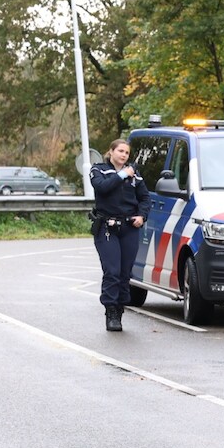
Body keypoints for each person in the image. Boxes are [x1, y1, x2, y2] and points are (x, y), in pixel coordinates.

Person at [90, 139, 149, 332]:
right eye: (120, 151)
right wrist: (123, 174)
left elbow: (144, 198)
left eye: (127, 153)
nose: (124, 155)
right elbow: (103, 187)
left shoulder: (135, 175)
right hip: (107, 227)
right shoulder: (99, 170)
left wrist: (142, 215)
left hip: (129, 227)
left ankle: (120, 308)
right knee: (112, 271)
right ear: (111, 151)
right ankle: (111, 312)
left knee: (125, 273)